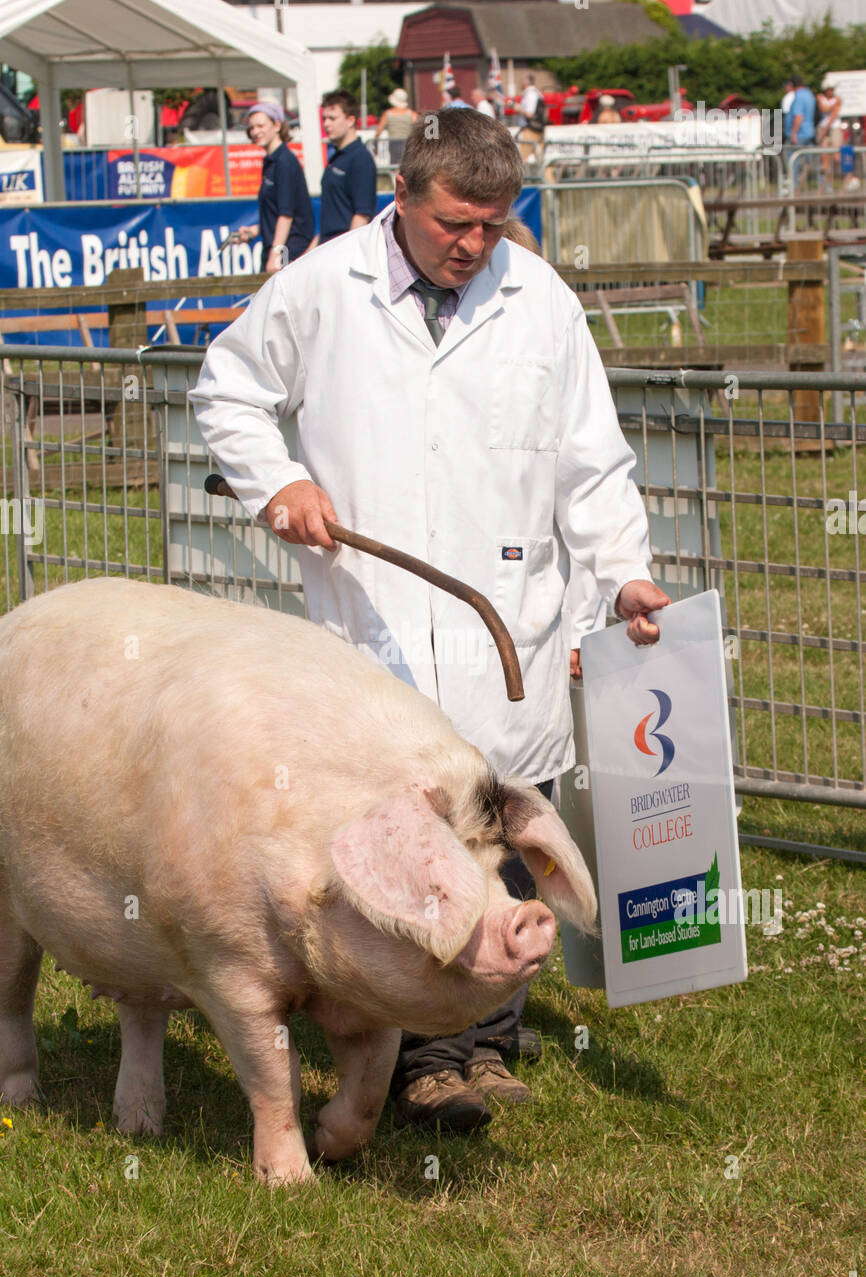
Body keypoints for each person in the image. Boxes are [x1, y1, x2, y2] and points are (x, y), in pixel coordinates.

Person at [190, 109, 669, 1132]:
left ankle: (472, 1043)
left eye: (492, 226)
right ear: (402, 195)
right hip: (374, 633)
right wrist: (278, 482)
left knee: (494, 832)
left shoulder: (538, 303)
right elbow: (226, 388)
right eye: (455, 221)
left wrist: (621, 573)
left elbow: (592, 463)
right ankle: (398, 1039)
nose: (473, 244)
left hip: (506, 632)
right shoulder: (323, 287)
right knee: (385, 841)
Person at [234, 101, 314, 272]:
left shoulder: (285, 161)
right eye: (252, 127)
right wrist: (255, 230)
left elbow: (286, 215)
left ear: (277, 125)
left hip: (289, 249)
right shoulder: (270, 161)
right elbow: (275, 213)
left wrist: (276, 255)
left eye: (261, 125)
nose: (255, 132)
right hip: (276, 246)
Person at [308, 89, 378, 248]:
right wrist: (308, 255)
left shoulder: (360, 158)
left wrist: (347, 253)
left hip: (343, 250)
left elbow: (362, 215)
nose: (326, 124)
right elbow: (330, 220)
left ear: (350, 120)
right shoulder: (337, 157)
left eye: (332, 118)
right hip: (327, 247)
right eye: (324, 118)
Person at [376, 88, 417, 166]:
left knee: (394, 166)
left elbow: (379, 131)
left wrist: (375, 144)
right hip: (407, 144)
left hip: (393, 144)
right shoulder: (411, 114)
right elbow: (420, 126)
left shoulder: (387, 114)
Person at [816, 79, 843, 189]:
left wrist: (825, 129)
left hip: (834, 128)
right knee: (824, 156)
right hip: (823, 127)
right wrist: (835, 105)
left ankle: (846, 178)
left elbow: (833, 116)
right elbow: (824, 108)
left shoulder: (838, 99)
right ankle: (825, 183)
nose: (831, 92)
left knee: (837, 155)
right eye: (829, 89)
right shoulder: (820, 97)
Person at [517, 73, 546, 166]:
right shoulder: (537, 93)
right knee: (541, 161)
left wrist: (517, 108)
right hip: (538, 129)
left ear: (525, 82)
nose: (520, 83)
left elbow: (530, 113)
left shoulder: (530, 94)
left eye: (521, 81)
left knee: (521, 160)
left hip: (531, 130)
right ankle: (550, 180)